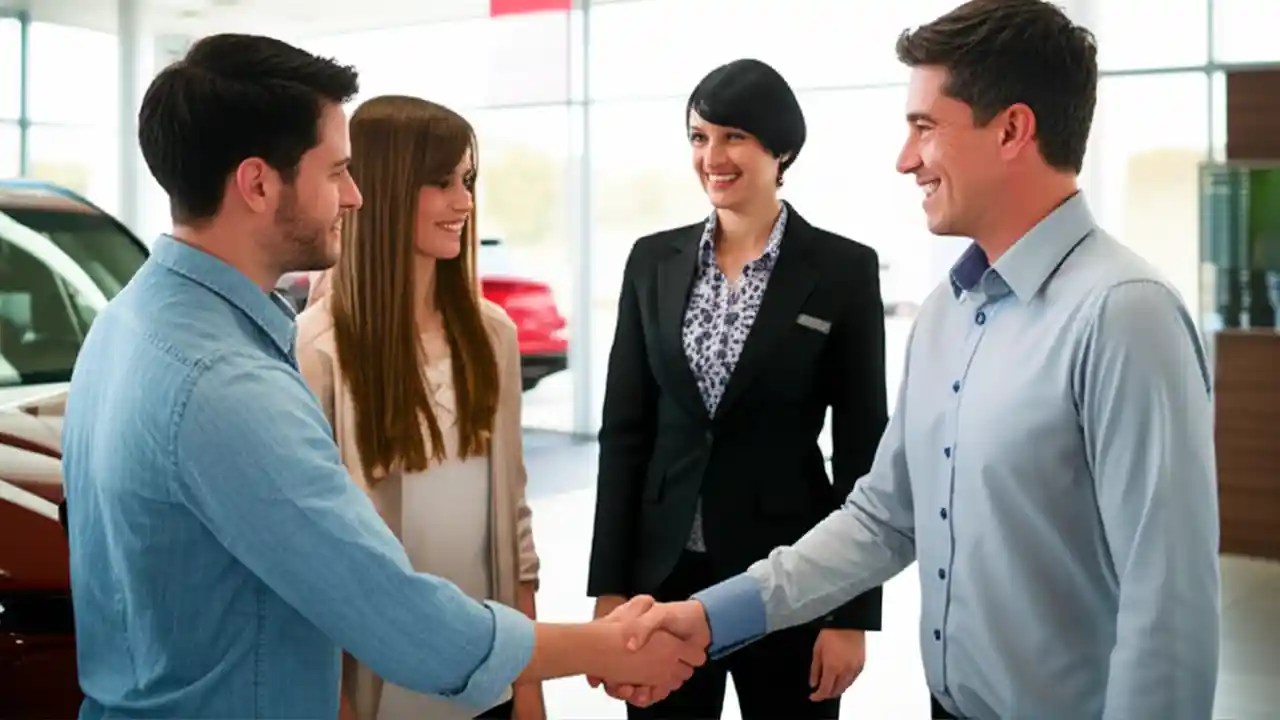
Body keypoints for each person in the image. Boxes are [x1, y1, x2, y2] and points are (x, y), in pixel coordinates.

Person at [60, 33, 703, 720]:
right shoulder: (226, 385)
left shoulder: (128, 322)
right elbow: (404, 621)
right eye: (335, 171)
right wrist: (609, 649)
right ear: (257, 183)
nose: (355, 196)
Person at [608, 2, 1222, 719]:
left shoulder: (1125, 315)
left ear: (1012, 130)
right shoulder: (948, 314)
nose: (905, 159)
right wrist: (715, 617)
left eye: (924, 128)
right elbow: (882, 518)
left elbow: (1168, 605)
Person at [587, 58, 888, 720]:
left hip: (788, 574)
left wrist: (850, 614)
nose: (712, 156)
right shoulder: (651, 261)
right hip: (662, 576)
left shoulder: (842, 270)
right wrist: (609, 587)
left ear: (781, 148)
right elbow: (625, 432)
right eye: (699, 137)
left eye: (733, 137)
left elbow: (862, 446)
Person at [296, 95, 544, 720]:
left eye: (467, 181)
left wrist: (531, 685)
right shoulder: (320, 346)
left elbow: (514, 525)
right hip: (382, 694)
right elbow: (314, 559)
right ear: (382, 189)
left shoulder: (493, 336)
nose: (464, 202)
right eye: (441, 183)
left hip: (488, 679)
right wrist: (340, 703)